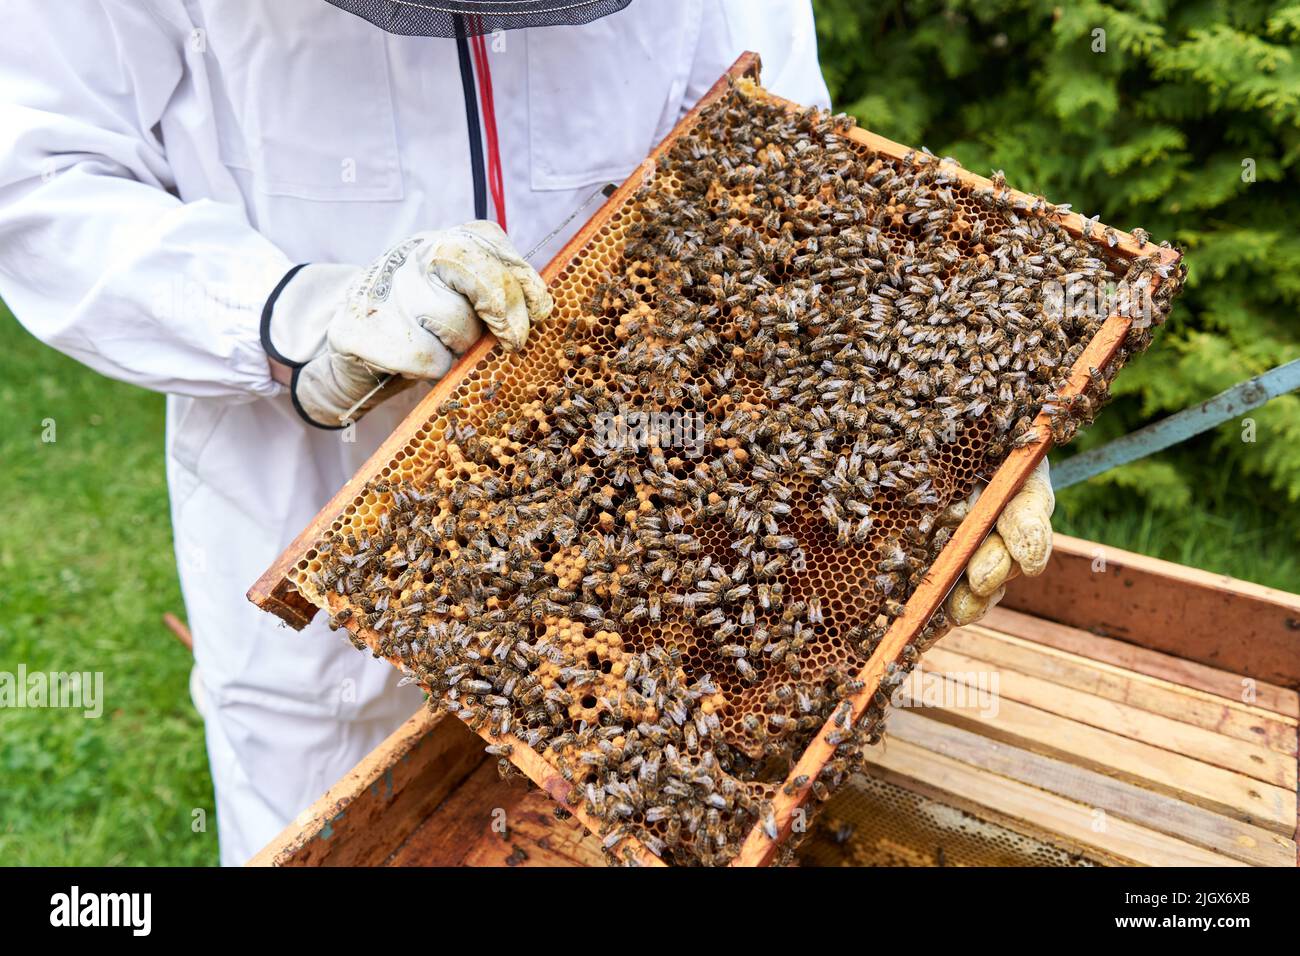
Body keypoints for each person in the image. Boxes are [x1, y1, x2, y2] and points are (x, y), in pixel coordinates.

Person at [0, 0, 1053, 865]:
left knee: (656, 814)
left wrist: (929, 438)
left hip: (667, 555)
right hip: (328, 538)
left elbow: (787, 192)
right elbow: (39, 174)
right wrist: (285, 310)